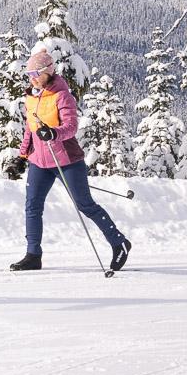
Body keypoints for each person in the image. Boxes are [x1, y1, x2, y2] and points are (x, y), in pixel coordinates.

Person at [11, 49, 132, 273]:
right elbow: (31, 127)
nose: (32, 77)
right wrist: (22, 156)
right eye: (29, 73)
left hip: (65, 159)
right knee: (32, 206)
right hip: (39, 160)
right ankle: (33, 255)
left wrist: (54, 133)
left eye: (36, 72)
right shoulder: (31, 96)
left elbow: (71, 127)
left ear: (48, 71)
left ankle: (119, 243)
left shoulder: (61, 95)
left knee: (85, 205)